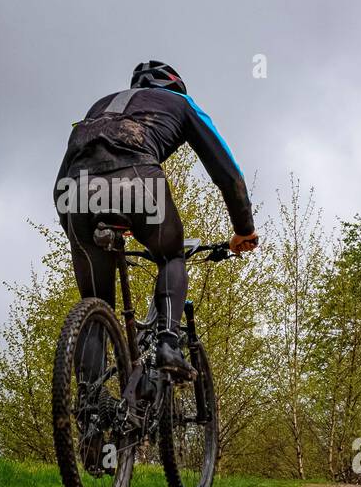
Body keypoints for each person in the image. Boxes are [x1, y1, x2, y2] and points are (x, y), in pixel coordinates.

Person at [55, 61, 258, 376]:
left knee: (97, 301)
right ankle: (168, 343)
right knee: (170, 255)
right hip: (137, 179)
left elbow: (64, 170)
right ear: (175, 85)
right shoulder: (181, 103)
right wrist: (244, 229)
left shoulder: (99, 107)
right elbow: (226, 170)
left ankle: (88, 405)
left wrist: (78, 231)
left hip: (72, 192)